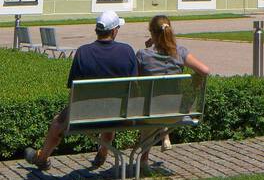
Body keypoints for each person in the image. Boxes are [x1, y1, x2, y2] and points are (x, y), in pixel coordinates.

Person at [24, 11, 136, 171]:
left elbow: (73, 89)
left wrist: (68, 114)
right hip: (120, 114)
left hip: (85, 114)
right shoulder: (127, 51)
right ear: (113, 31)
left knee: (58, 122)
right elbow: (134, 86)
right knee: (111, 109)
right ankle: (103, 153)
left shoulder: (83, 52)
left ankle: (41, 158)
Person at [136, 16, 210, 170]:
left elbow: (135, 81)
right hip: (176, 113)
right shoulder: (180, 53)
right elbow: (205, 70)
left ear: (152, 33)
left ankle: (143, 160)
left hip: (150, 113)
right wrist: (195, 81)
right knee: (160, 109)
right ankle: (164, 135)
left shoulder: (143, 55)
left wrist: (150, 47)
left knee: (150, 109)